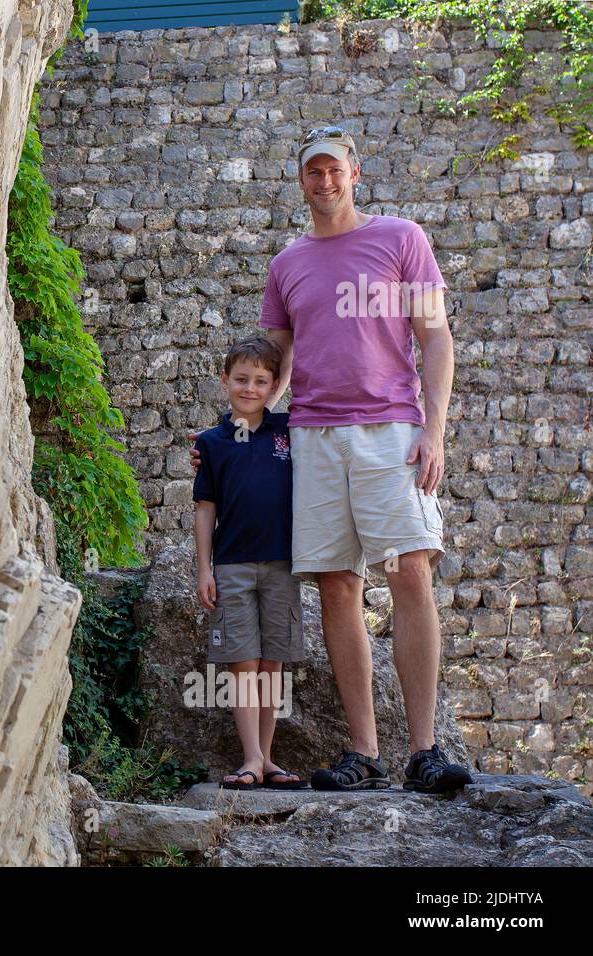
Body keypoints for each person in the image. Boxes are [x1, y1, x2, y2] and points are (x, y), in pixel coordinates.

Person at [190, 126, 472, 794]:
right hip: (312, 440)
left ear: (355, 172)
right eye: (313, 172)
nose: (324, 182)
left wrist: (435, 431)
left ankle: (424, 751)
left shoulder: (402, 238)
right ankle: (365, 751)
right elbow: (278, 361)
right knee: (338, 586)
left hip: (390, 432)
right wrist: (241, 426)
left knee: (409, 577)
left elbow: (436, 338)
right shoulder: (287, 264)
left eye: (334, 170)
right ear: (301, 182)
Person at [193, 337, 307, 791]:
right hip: (233, 566)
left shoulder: (287, 432)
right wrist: (204, 568)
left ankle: (267, 756)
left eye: (261, 381)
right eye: (241, 379)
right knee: (242, 662)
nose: (250, 388)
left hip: (283, 565)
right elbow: (205, 508)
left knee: (273, 663)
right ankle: (251, 758)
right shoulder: (211, 443)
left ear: (274, 386)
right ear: (224, 381)